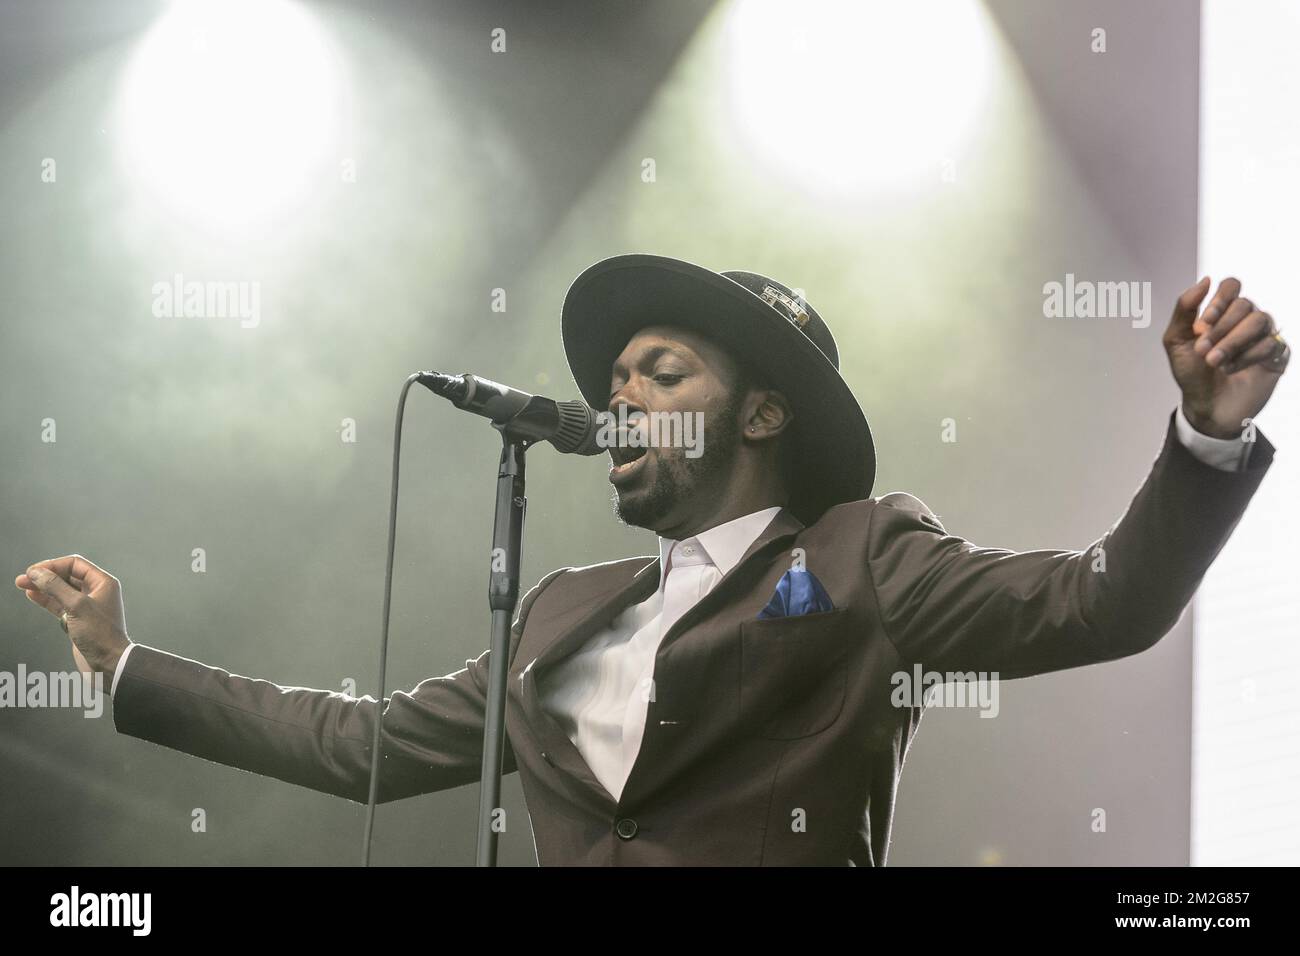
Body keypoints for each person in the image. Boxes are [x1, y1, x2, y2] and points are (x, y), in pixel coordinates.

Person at [16, 254, 1289, 865]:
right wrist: (126, 664)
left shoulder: (862, 554)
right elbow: (359, 742)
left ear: (761, 412)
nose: (620, 400)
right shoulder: (562, 612)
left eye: (660, 374)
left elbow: (1102, 601)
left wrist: (1204, 437)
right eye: (613, 382)